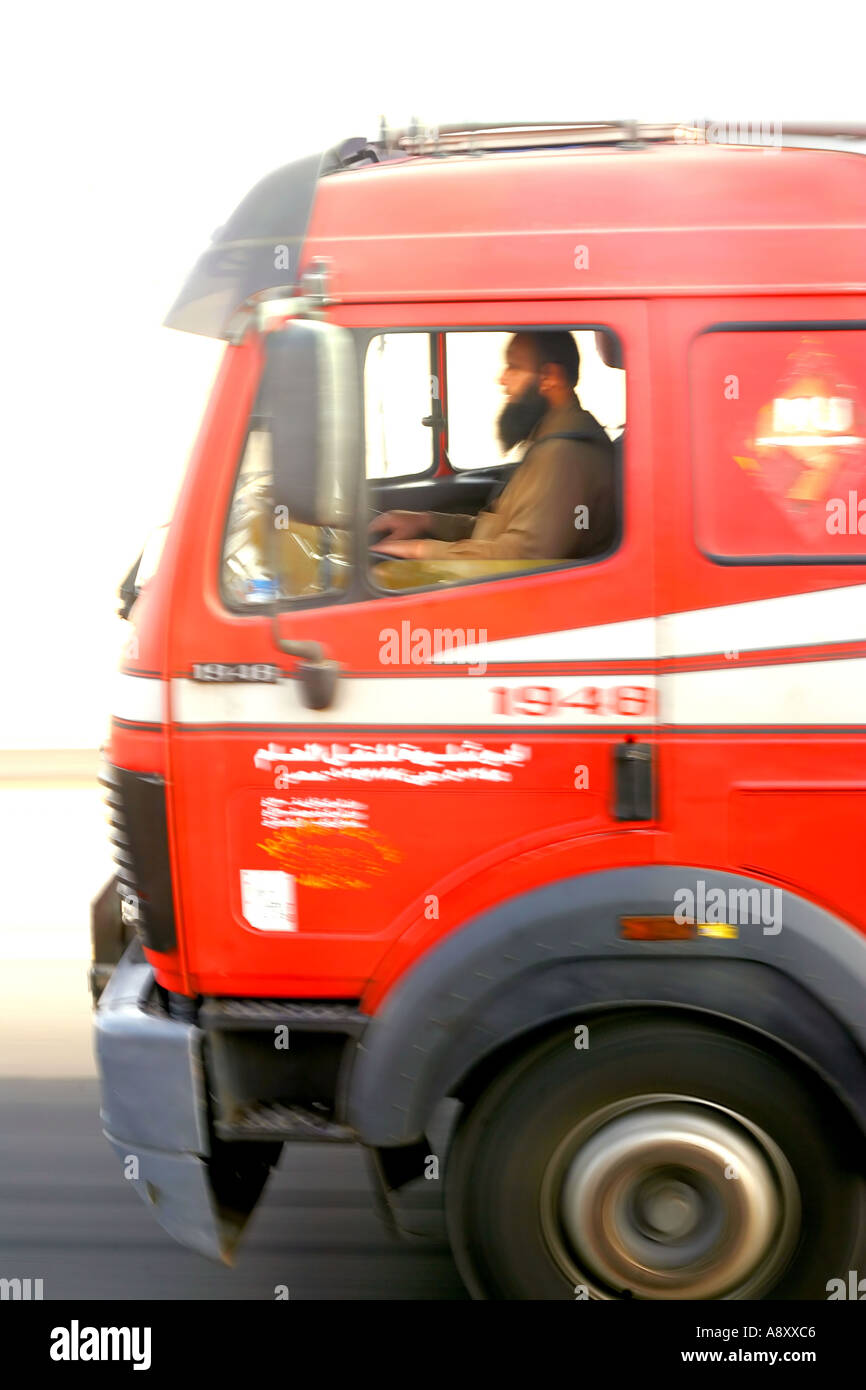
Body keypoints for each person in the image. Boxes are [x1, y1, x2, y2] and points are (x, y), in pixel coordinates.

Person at [369, 331, 616, 566]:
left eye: (515, 367)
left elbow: (522, 556)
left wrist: (419, 551)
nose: (502, 378)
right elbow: (501, 529)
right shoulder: (547, 442)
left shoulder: (567, 456)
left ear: (550, 378)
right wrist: (427, 522)